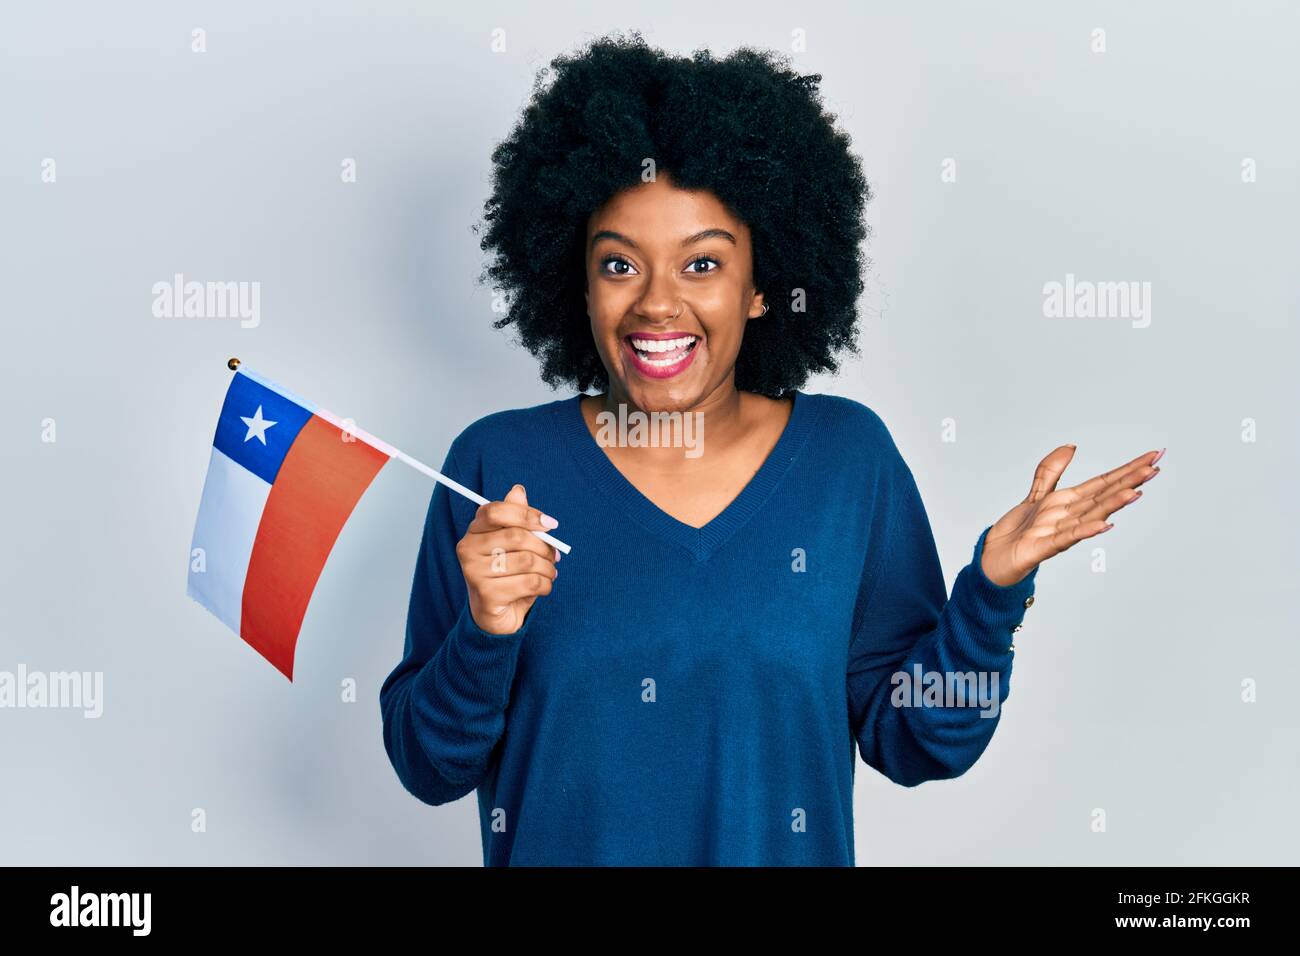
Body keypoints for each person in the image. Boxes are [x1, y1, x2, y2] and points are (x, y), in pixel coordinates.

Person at [379, 31, 1162, 866]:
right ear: (575, 283)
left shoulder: (847, 461)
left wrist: (992, 596)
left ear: (760, 288)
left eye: (702, 264)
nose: (656, 305)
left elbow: (921, 741)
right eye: (618, 265)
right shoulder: (496, 469)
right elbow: (428, 765)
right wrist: (485, 634)